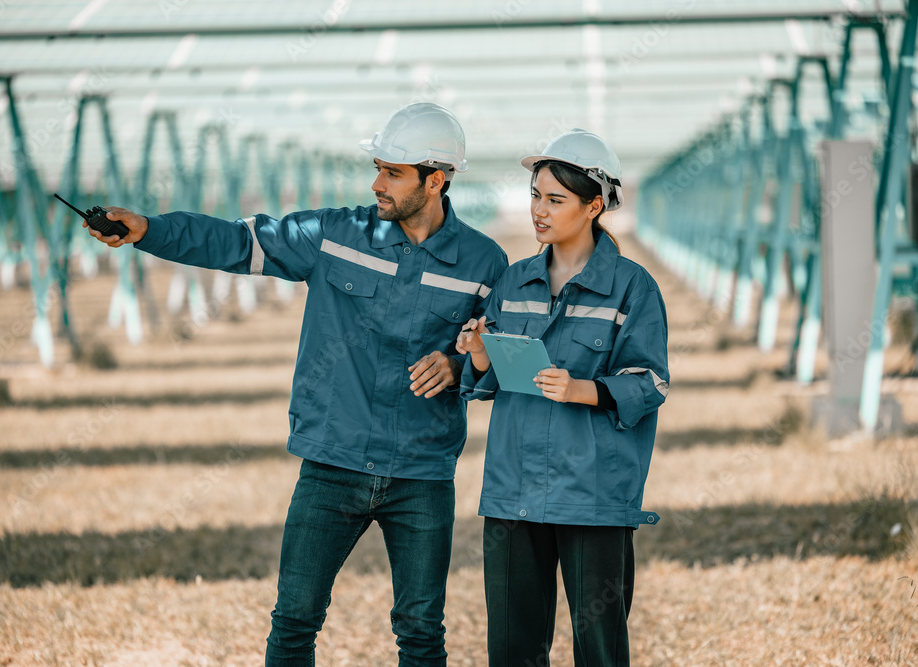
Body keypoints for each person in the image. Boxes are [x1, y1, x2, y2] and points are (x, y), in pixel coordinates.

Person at [85, 102, 508, 666]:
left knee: (421, 632)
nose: (376, 182)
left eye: (393, 172)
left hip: (422, 473)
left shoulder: (484, 262)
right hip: (331, 464)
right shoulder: (334, 234)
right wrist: (149, 230)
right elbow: (239, 242)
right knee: (293, 623)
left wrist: (461, 368)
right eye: (378, 167)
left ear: (436, 180)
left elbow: (495, 364)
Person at [455, 129, 669, 666]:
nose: (539, 211)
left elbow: (651, 382)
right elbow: (491, 377)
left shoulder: (631, 288)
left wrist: (584, 390)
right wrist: (479, 354)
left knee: (599, 649)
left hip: (592, 494)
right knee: (512, 649)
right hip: (513, 490)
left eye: (555, 199)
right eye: (534, 196)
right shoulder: (512, 281)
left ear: (594, 204)